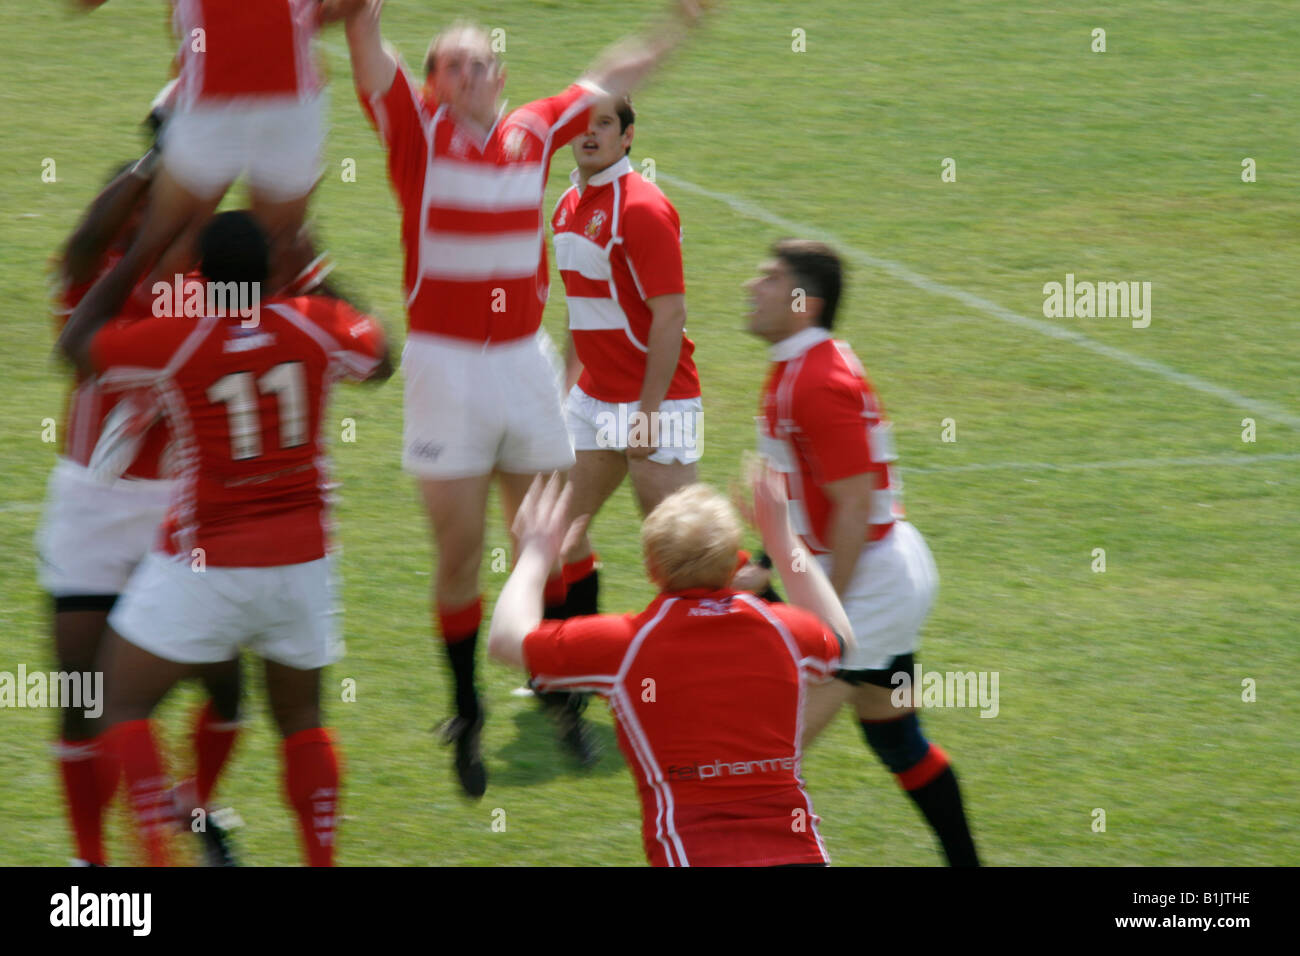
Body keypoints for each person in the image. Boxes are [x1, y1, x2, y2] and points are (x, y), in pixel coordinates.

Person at [341, 0, 712, 796]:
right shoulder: (416, 131)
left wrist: (676, 27)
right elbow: (366, 43)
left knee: (557, 537)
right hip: (446, 372)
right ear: (434, 85)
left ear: (501, 77)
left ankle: (567, 697)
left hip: (522, 364)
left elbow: (613, 77)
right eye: (453, 66)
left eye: (482, 63)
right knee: (461, 556)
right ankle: (467, 709)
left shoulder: (534, 130)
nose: (470, 75)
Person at [58, 211, 392, 866]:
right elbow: (383, 358)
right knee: (303, 723)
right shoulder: (314, 322)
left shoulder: (182, 337)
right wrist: (316, 269)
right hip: (304, 561)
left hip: (206, 562)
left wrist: (139, 253)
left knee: (118, 699)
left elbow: (78, 346)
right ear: (271, 271)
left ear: (201, 278)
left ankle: (156, 852)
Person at [745, 239, 980, 866]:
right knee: (897, 740)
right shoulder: (798, 366)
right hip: (875, 574)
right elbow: (803, 504)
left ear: (804, 302)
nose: (751, 287)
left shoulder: (816, 381)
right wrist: (760, 570)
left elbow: (852, 505)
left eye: (768, 279)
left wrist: (829, 619)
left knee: (764, 762)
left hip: (869, 583)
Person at [40, 150, 243, 866]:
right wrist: (167, 147)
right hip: (92, 509)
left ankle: (191, 803)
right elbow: (86, 244)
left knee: (225, 684)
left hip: (179, 508)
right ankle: (92, 862)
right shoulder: (97, 277)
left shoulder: (216, 282)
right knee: (83, 695)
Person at [488, 472, 853, 866]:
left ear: (651, 569)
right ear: (734, 562)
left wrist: (536, 554)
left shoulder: (625, 646)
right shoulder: (785, 629)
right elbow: (841, 639)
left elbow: (505, 640)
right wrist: (782, 539)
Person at [66, 0, 353, 339]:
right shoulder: (98, 267)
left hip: (236, 101)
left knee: (248, 253)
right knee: (264, 250)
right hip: (269, 101)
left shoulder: (188, 273)